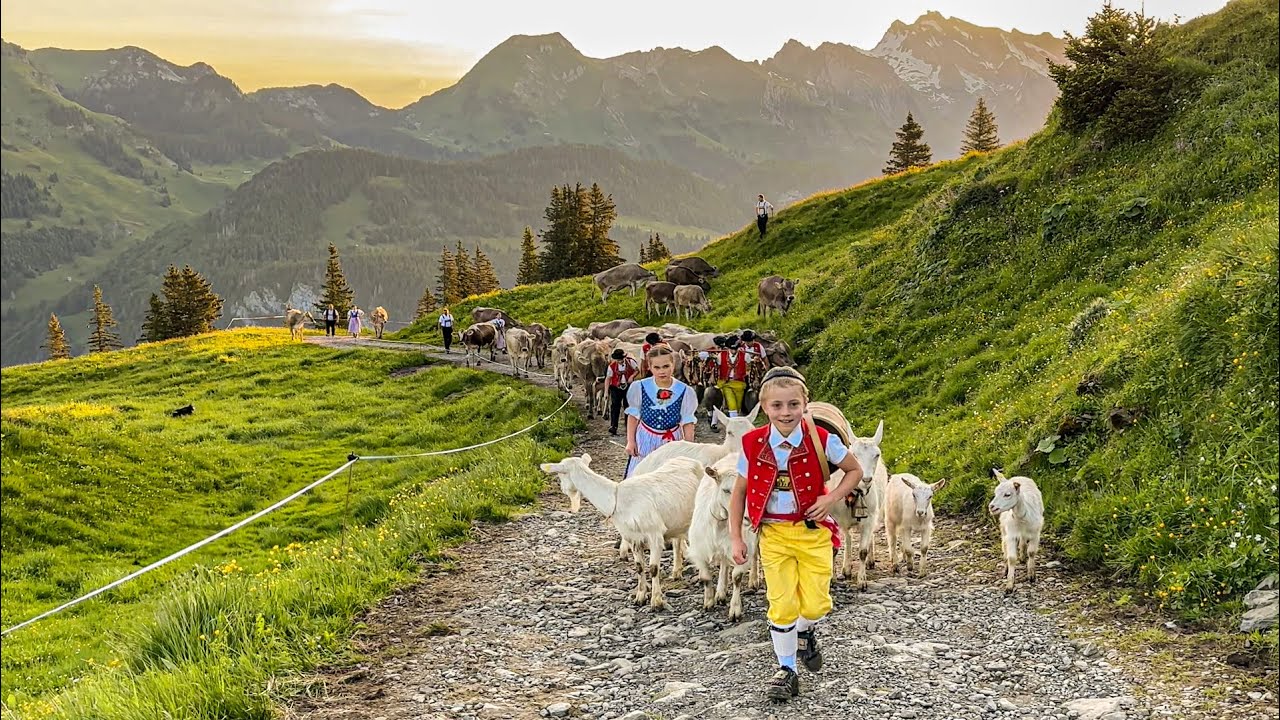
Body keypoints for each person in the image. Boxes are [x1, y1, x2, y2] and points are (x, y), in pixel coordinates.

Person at [728, 366, 866, 702]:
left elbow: (854, 470)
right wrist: (736, 536)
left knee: (817, 604)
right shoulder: (752, 443)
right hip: (773, 532)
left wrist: (831, 497)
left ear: (805, 404)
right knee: (782, 602)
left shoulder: (821, 439)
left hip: (813, 532)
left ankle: (805, 632)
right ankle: (786, 669)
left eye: (793, 404)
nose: (785, 412)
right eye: (777, 406)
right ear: (764, 407)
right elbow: (739, 491)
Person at [624, 343, 697, 478]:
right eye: (656, 367)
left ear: (673, 365)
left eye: (666, 366)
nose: (661, 371)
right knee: (639, 476)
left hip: (671, 440)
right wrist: (631, 441)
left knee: (668, 478)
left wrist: (688, 448)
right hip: (645, 438)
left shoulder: (685, 391)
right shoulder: (640, 386)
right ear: (650, 367)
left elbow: (688, 422)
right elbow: (633, 416)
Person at [702, 334, 750, 420]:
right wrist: (712, 375)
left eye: (735, 349)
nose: (733, 351)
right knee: (732, 404)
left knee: (738, 405)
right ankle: (731, 421)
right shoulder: (721, 356)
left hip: (739, 383)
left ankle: (734, 417)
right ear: (728, 348)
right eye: (731, 349)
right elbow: (716, 368)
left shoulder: (746, 356)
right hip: (725, 382)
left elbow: (749, 368)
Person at [605, 348, 640, 436]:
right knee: (615, 406)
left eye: (621, 359)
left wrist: (632, 376)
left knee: (627, 406)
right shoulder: (612, 366)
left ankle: (628, 426)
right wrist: (606, 391)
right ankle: (614, 426)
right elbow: (608, 378)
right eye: (618, 360)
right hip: (616, 387)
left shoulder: (631, 362)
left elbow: (637, 370)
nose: (620, 361)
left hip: (628, 387)